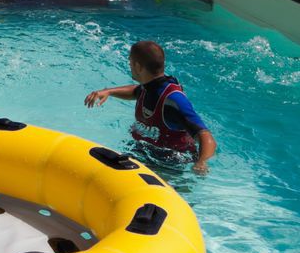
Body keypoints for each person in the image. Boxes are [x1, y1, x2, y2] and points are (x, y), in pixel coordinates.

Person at [84, 39, 217, 174]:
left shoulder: (173, 100)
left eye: (130, 62)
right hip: (144, 153)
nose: (129, 66)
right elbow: (136, 91)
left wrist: (201, 162)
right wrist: (109, 91)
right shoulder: (148, 87)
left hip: (171, 166)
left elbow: (205, 136)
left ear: (138, 66)